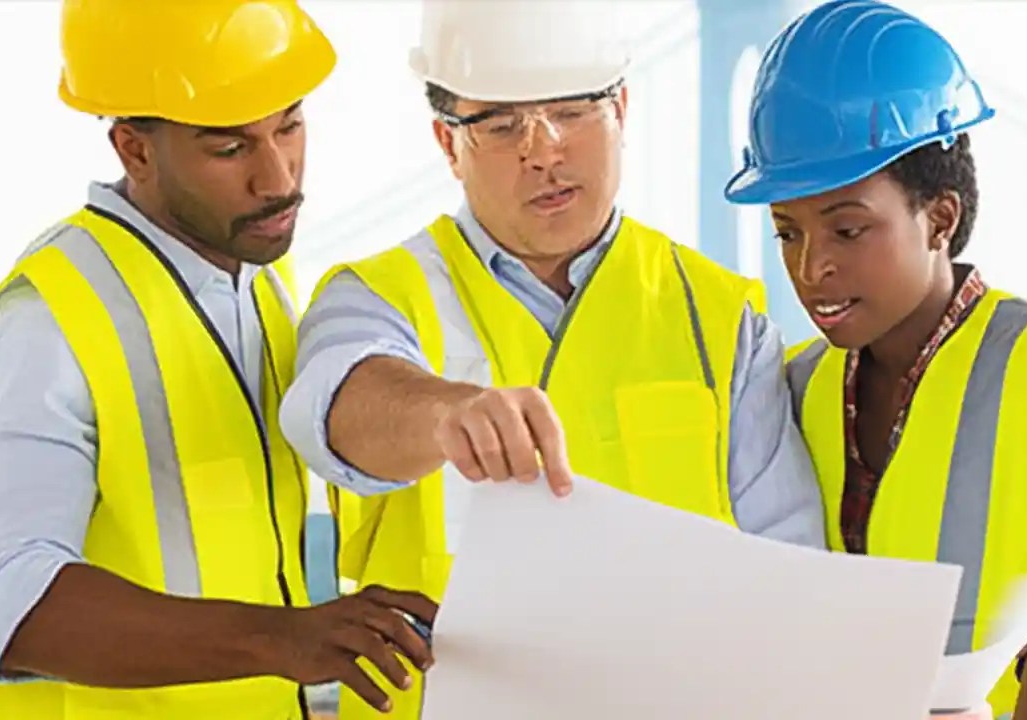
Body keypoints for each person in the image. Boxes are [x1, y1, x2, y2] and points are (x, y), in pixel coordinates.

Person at [278, 0, 826, 716]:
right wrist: (447, 413)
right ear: (448, 141)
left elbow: (787, 578)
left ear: (622, 109)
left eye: (572, 111)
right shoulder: (380, 297)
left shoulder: (720, 316)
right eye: (501, 125)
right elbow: (333, 411)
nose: (544, 150)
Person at [0, 2, 436, 718]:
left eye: (290, 126)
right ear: (134, 149)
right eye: (229, 148)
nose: (278, 178)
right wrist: (282, 637)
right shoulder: (47, 320)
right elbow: (3, 605)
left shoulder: (259, 283)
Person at [725, 1, 1027, 718]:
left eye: (847, 230)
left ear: (939, 219)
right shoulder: (796, 386)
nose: (811, 267)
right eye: (787, 234)